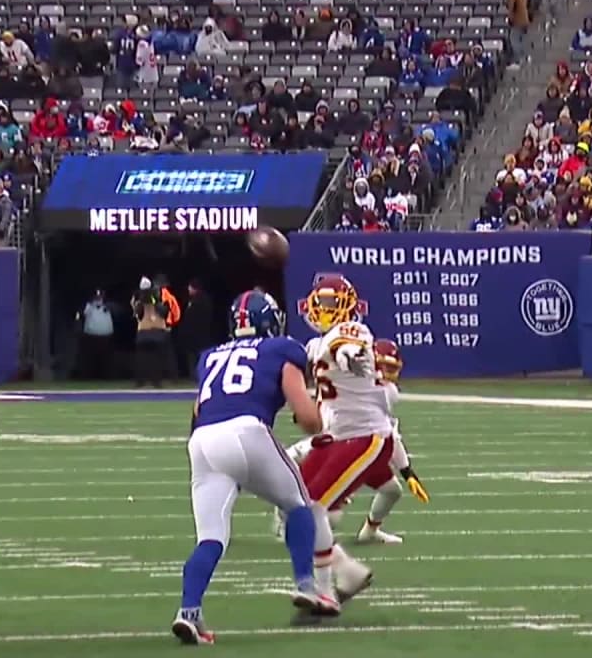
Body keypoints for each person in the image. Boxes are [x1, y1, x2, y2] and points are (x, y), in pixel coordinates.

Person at [173, 289, 334, 646]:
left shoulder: (210, 356)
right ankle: (307, 585)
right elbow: (309, 419)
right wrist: (313, 420)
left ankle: (189, 611)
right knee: (298, 504)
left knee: (211, 537)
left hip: (201, 442)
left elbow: (198, 412)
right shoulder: (281, 349)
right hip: (246, 431)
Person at [296, 275, 393, 603]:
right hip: (337, 436)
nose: (324, 309)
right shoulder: (316, 343)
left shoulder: (350, 331)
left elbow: (347, 347)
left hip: (364, 435)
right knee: (295, 507)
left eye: (330, 303)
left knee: (311, 508)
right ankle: (346, 571)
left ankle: (324, 592)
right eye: (320, 302)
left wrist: (349, 357)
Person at [278, 339, 430, 545]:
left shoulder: (371, 386)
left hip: (365, 445)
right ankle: (286, 520)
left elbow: (389, 431)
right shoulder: (369, 388)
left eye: (391, 368)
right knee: (304, 483)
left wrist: (407, 472)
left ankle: (370, 530)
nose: (386, 374)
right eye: (382, 367)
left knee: (392, 490)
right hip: (335, 442)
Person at [132, 277, 170, 388]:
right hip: (153, 331)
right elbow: (163, 311)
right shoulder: (154, 297)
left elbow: (139, 313)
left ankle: (143, 381)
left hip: (146, 331)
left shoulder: (146, 298)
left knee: (144, 358)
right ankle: (153, 381)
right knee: (152, 358)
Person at [76, 288, 115, 380]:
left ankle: (107, 380)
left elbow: (118, 311)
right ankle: (88, 379)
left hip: (106, 338)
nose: (98, 298)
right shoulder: (88, 306)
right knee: (90, 361)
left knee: (106, 361)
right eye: (96, 296)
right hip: (91, 338)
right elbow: (79, 314)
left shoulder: (109, 306)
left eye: (100, 296)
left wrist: (108, 306)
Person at [181, 279, 214, 379]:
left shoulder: (200, 301)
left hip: (198, 334)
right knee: (194, 356)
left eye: (190, 287)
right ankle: (195, 376)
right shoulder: (195, 300)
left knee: (197, 356)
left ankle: (198, 376)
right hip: (196, 335)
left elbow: (195, 317)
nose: (188, 289)